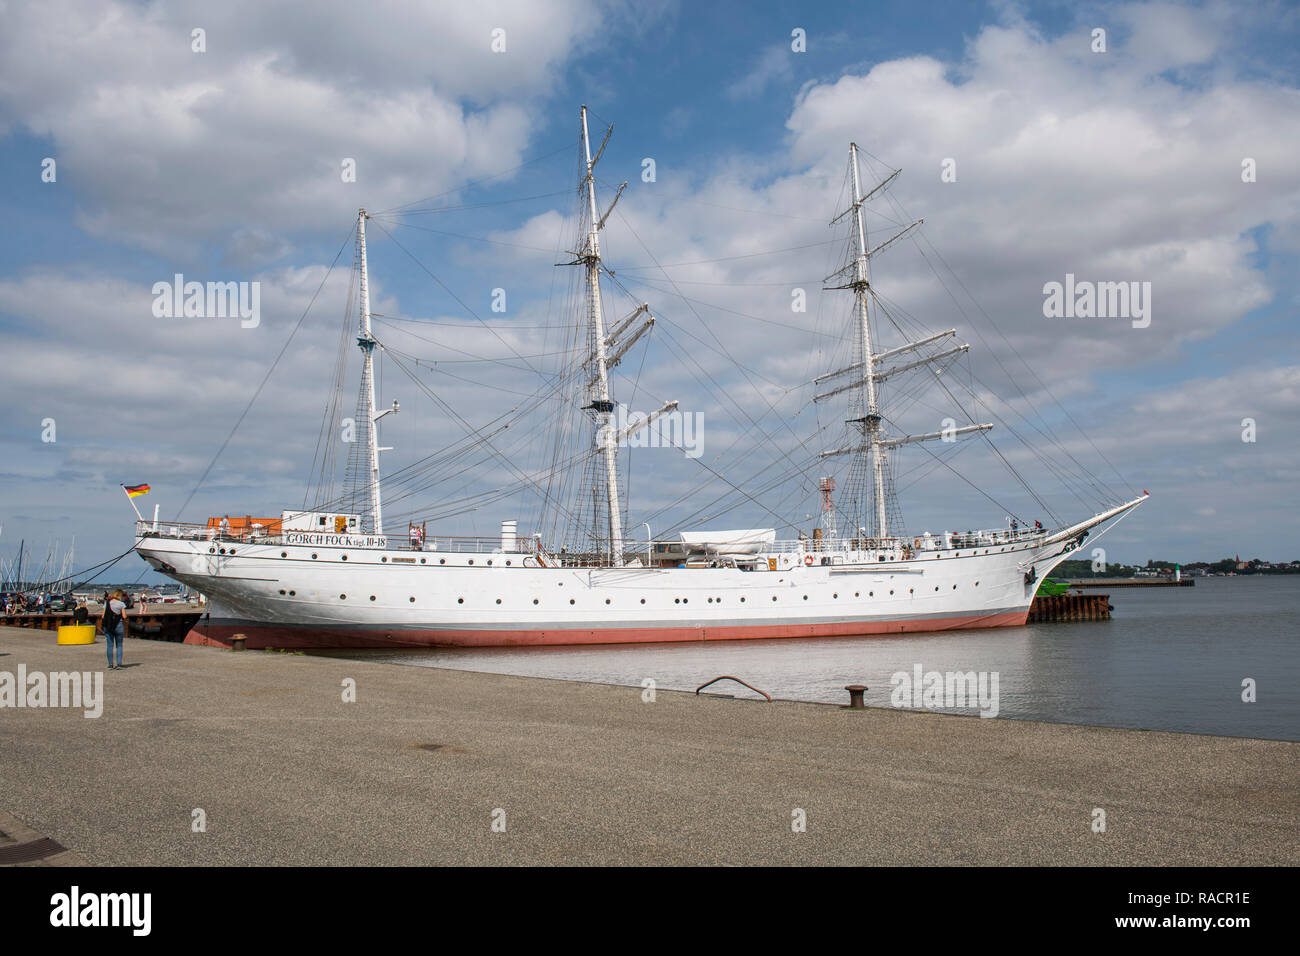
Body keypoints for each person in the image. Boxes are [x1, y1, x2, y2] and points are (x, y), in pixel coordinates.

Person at [102, 588, 128, 670]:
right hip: (118, 625)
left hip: (108, 626)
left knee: (109, 645)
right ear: (120, 596)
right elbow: (124, 616)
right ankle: (119, 664)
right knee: (119, 645)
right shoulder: (121, 604)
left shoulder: (107, 603)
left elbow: (103, 616)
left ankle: (110, 664)